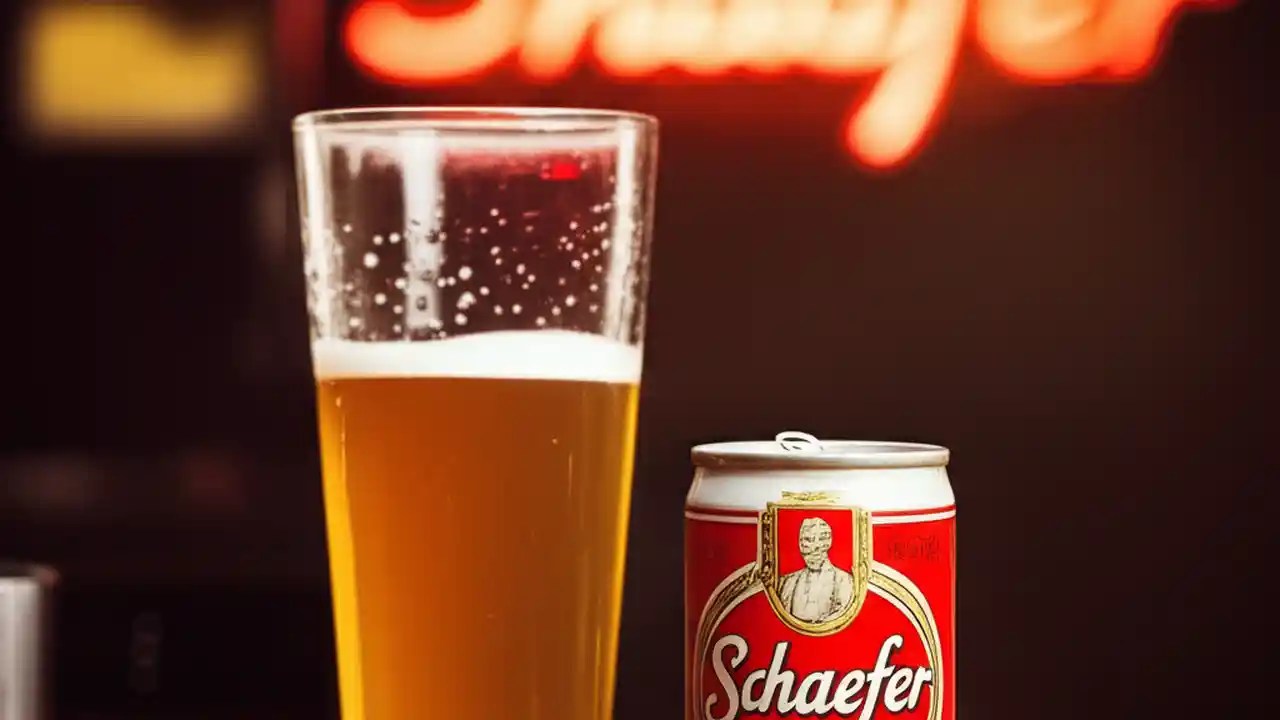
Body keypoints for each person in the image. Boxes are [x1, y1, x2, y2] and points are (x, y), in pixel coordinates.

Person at [778, 517, 854, 622]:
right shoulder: (787, 582)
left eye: (819, 540)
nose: (813, 547)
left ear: (828, 542)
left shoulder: (844, 580)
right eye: (807, 540)